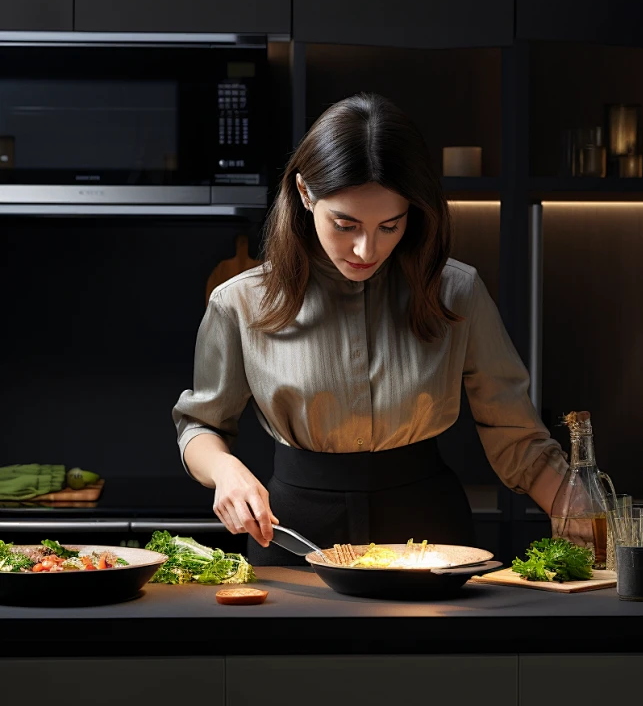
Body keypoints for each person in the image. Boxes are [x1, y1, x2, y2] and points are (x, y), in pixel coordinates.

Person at [173, 93, 566, 566]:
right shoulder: (239, 302)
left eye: (389, 226)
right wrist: (224, 470)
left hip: (429, 531)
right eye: (345, 224)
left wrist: (579, 508)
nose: (366, 249)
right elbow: (201, 425)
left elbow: (515, 433)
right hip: (293, 531)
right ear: (305, 194)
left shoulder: (456, 291)